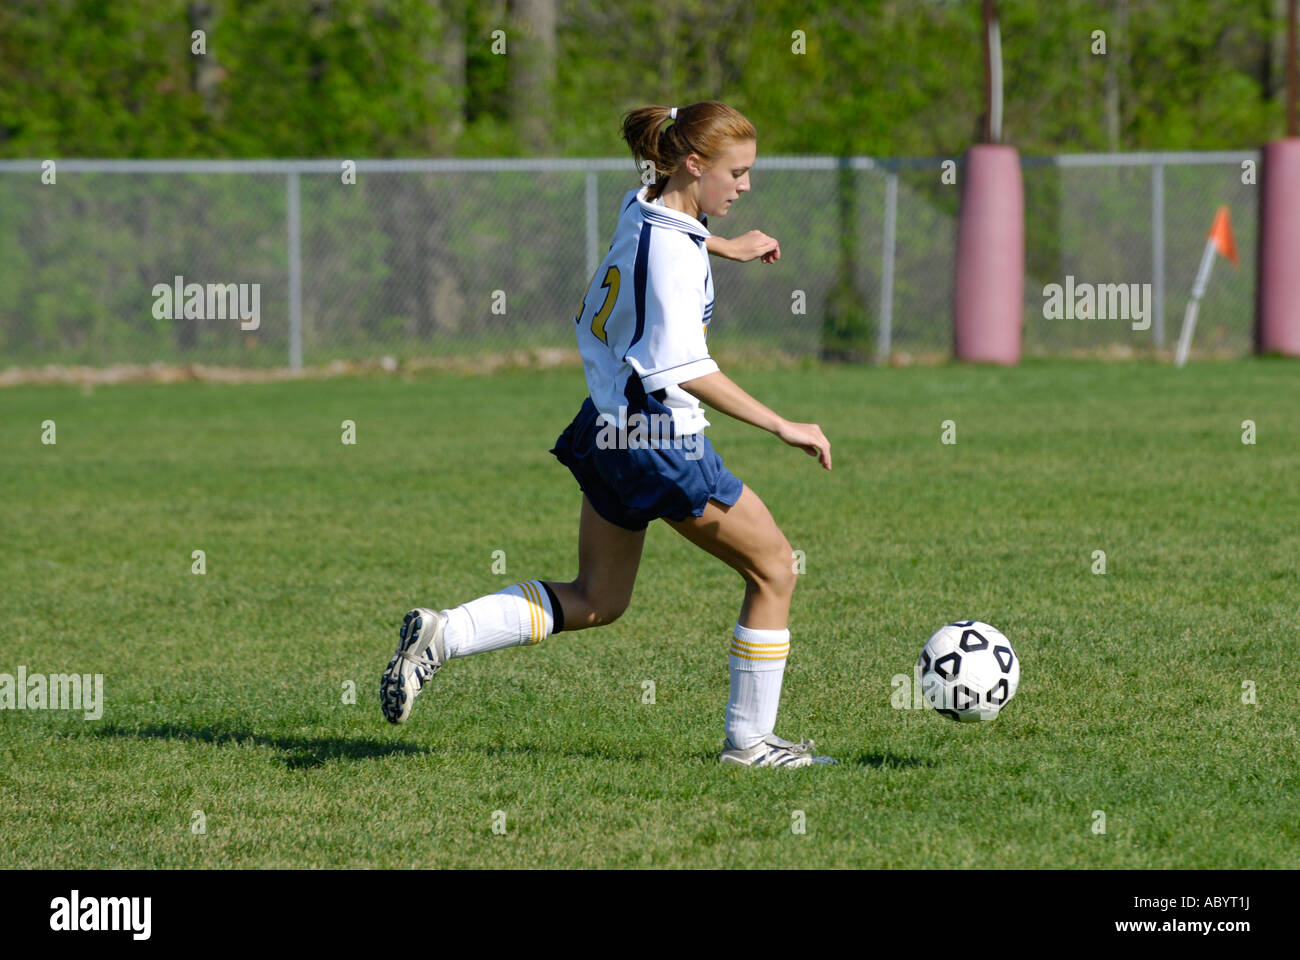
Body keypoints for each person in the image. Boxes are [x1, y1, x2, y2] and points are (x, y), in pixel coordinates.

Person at [381, 100, 835, 768]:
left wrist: (725, 246)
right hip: (660, 443)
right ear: (694, 163)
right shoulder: (675, 258)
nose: (745, 186)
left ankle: (445, 635)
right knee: (774, 568)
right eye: (736, 172)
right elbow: (686, 367)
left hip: (607, 428)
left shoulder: (644, 202)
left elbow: (668, 236)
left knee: (598, 598)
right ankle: (751, 746)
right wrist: (782, 424)